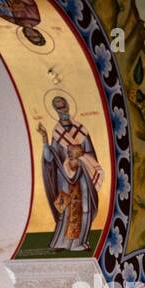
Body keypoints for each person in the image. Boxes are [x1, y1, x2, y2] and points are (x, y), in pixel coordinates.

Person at [37, 96, 103, 252]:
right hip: (64, 178)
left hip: (82, 175)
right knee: (66, 208)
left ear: (68, 106)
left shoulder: (81, 130)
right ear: (55, 111)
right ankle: (62, 243)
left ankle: (79, 242)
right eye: (58, 108)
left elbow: (91, 154)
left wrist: (80, 158)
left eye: (64, 106)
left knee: (84, 207)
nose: (62, 110)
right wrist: (45, 140)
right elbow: (50, 158)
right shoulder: (56, 133)